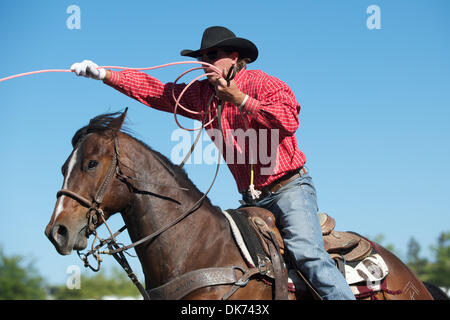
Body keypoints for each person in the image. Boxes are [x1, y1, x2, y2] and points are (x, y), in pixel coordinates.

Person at [70, 26, 355, 300]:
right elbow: (158, 92)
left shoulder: (262, 83)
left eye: (212, 55)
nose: (205, 62)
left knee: (307, 255)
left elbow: (289, 120)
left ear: (234, 58)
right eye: (202, 57)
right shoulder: (203, 96)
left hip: (290, 189)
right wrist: (105, 74)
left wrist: (241, 100)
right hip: (252, 200)